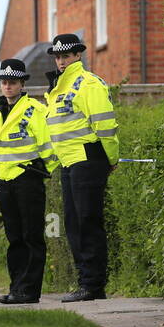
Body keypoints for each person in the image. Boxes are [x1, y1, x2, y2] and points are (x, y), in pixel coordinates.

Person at [44, 34, 119, 302]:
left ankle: (93, 285)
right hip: (70, 162)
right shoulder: (58, 88)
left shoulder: (88, 83)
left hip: (89, 158)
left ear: (78, 55)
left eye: (66, 55)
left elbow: (105, 126)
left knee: (88, 222)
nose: (61, 60)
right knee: (75, 224)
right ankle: (86, 282)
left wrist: (111, 158)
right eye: (57, 56)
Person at [0, 59, 57, 305]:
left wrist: (48, 169)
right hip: (4, 180)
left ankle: (29, 290)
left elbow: (48, 145)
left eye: (12, 82)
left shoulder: (34, 110)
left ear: (22, 83)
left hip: (28, 178)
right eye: (4, 82)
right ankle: (16, 287)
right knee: (14, 237)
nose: (7, 86)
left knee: (31, 236)